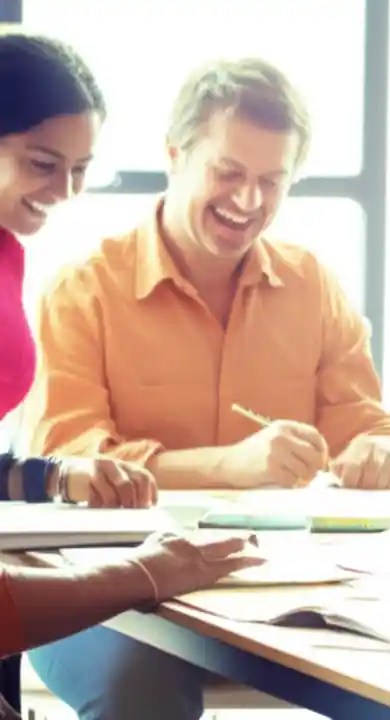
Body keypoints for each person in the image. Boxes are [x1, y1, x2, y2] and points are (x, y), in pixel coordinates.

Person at [24, 58, 390, 719]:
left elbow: (368, 424)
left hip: (275, 586)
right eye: (229, 173)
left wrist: (378, 450)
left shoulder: (313, 284)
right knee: (137, 698)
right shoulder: (84, 289)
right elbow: (70, 463)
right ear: (175, 155)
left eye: (271, 180)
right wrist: (228, 467)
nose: (249, 200)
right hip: (107, 590)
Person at [0, 31, 260, 720]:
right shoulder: (84, 284)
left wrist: (49, 477)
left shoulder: (6, 250)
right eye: (42, 163)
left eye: (81, 168)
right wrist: (146, 573)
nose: (65, 192)